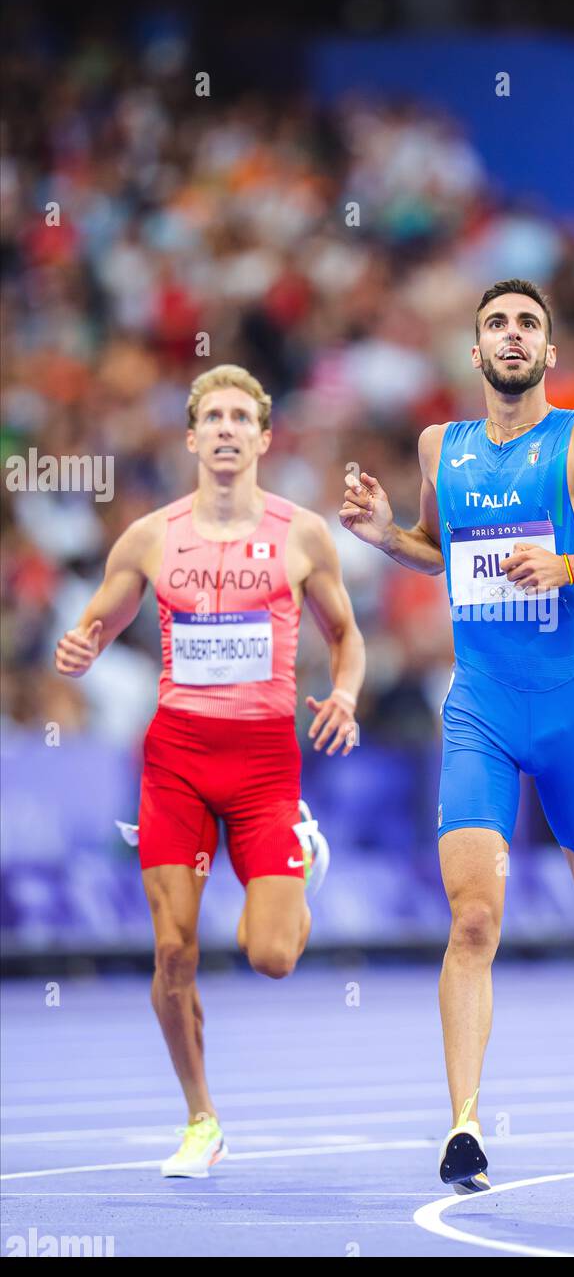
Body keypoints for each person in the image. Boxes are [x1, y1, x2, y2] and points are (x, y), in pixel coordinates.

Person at [340, 279, 574, 1192]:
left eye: (528, 325)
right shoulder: (441, 446)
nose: (511, 336)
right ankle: (463, 1125)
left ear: (548, 351)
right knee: (473, 918)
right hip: (480, 712)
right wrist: (388, 535)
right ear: (474, 352)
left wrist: (572, 560)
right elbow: (438, 547)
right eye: (496, 324)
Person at [55, 364, 365, 1177]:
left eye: (241, 418)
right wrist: (83, 644)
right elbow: (102, 615)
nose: (227, 430)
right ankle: (201, 1118)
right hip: (177, 763)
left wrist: (346, 693)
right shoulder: (151, 535)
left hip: (265, 766)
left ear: (264, 439)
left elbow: (346, 636)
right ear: (192, 438)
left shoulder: (302, 534)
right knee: (173, 952)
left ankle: (302, 864)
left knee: (270, 955)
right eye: (213, 418)